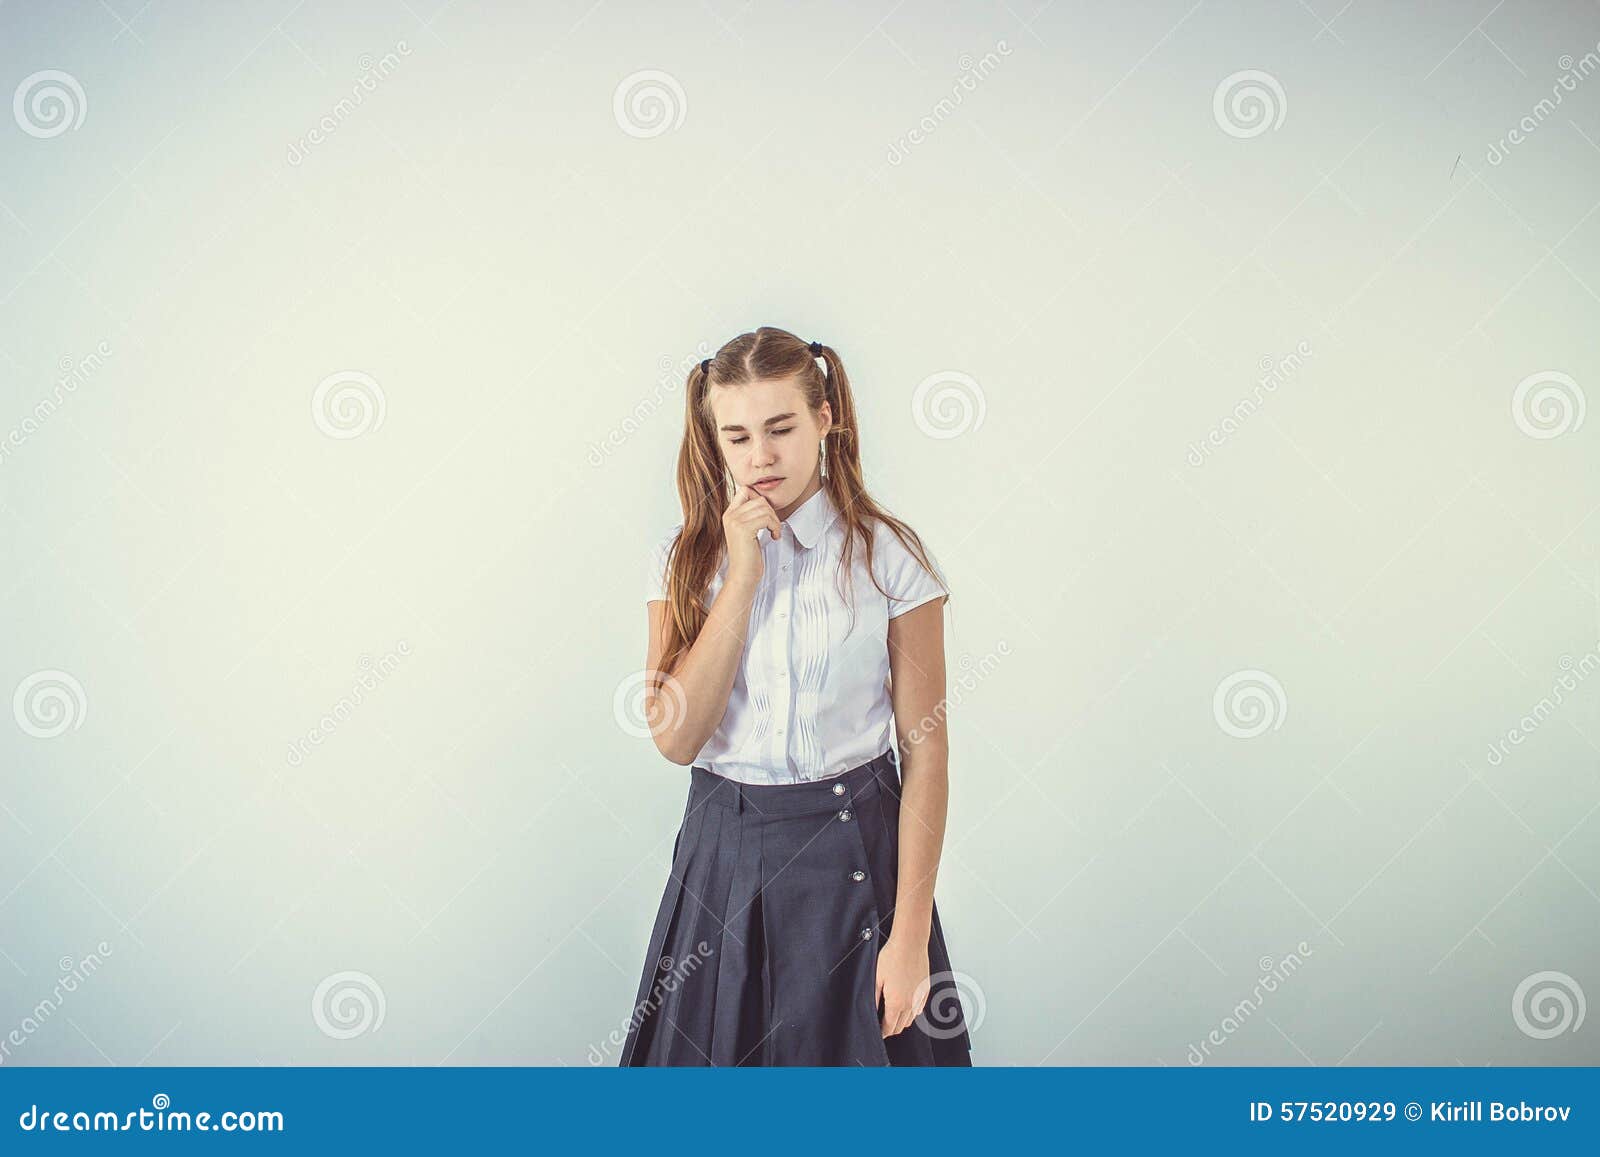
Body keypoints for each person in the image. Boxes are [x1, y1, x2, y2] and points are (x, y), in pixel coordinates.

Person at [618, 325, 973, 1066]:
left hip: (860, 855)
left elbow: (927, 749)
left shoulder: (890, 558)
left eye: (781, 427)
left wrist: (908, 939)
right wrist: (742, 578)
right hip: (724, 856)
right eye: (738, 435)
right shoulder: (685, 559)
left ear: (825, 417)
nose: (761, 456)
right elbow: (676, 740)